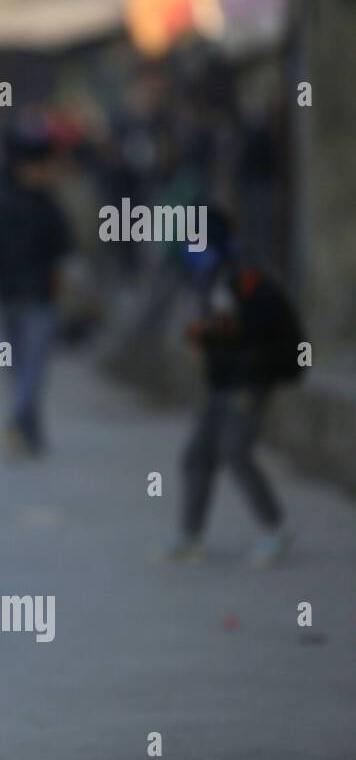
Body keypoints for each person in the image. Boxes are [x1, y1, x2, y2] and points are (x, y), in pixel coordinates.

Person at [165, 210, 301, 568]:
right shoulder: (210, 279)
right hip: (223, 380)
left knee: (234, 450)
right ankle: (190, 536)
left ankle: (275, 528)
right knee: (198, 454)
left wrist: (207, 333)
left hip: (249, 379)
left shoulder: (247, 279)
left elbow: (258, 326)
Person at [0, 126, 73, 457]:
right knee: (29, 369)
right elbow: (65, 248)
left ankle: (29, 433)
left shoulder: (1, 204)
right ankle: (19, 423)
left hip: (10, 295)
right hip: (35, 297)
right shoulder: (48, 206)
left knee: (21, 369)